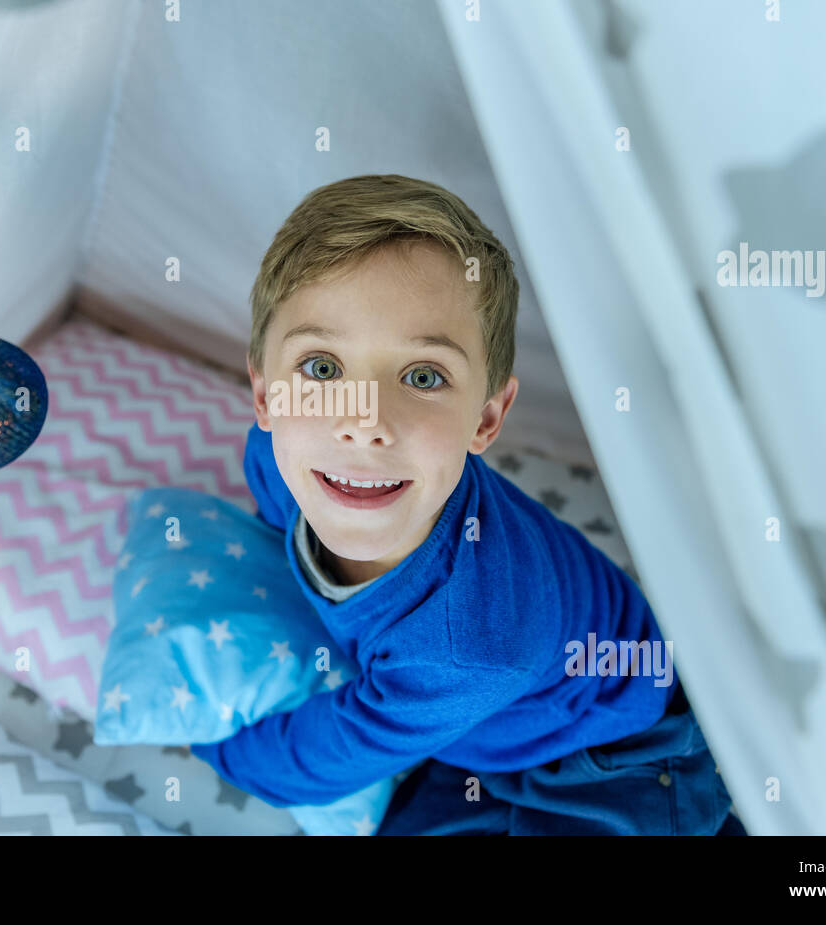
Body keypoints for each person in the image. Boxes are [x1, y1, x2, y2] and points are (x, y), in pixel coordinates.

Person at [189, 174, 743, 835]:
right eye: (322, 368)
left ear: (485, 418)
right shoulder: (276, 463)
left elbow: (325, 753)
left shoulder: (467, 643)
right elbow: (275, 523)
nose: (364, 421)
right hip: (478, 729)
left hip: (610, 745)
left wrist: (206, 738)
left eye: (423, 376)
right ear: (265, 395)